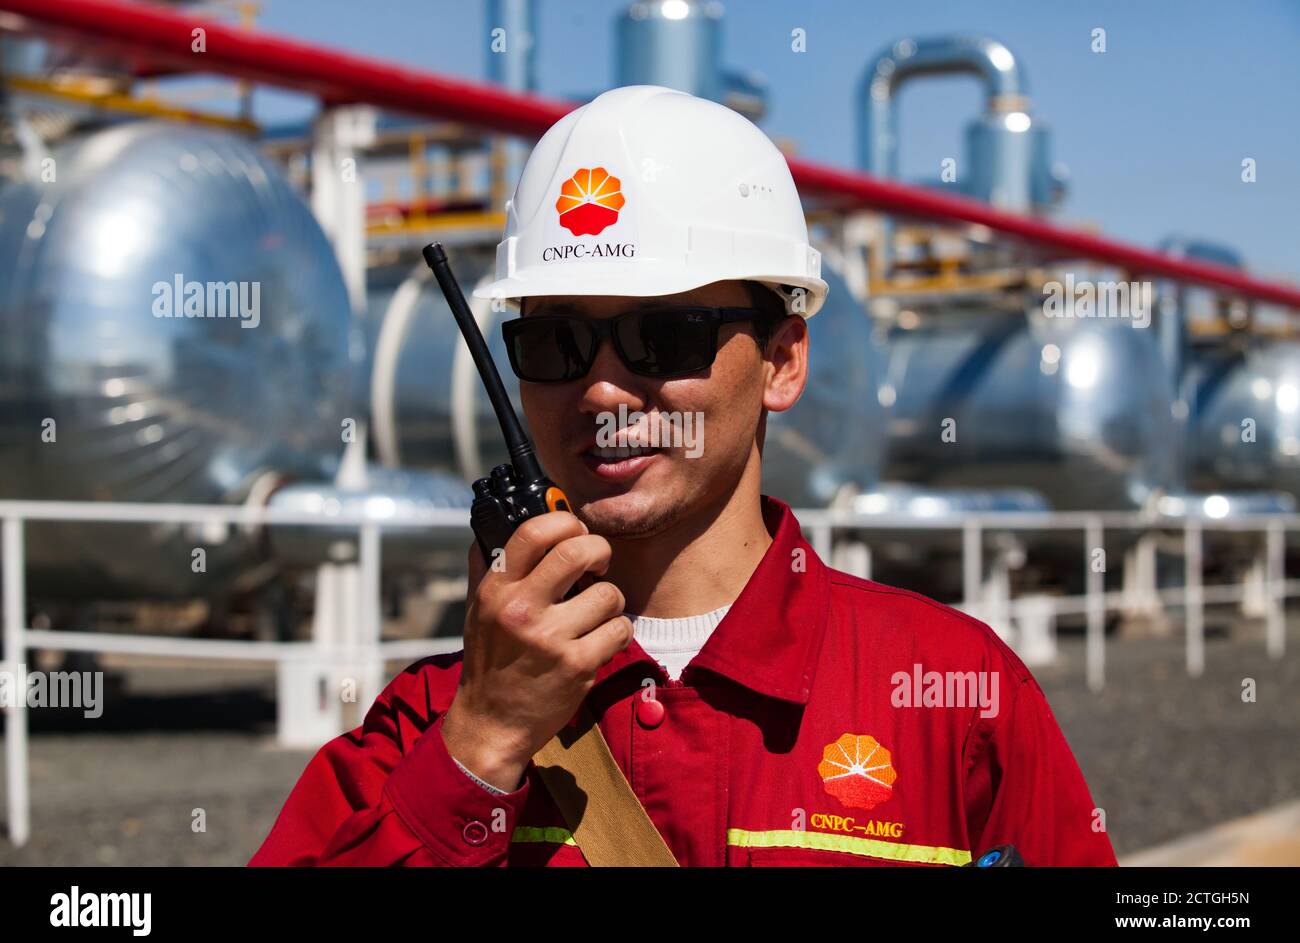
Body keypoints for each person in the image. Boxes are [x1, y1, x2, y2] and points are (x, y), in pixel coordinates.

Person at [250, 85, 1117, 867]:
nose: (600, 387)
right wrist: (479, 752)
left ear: (782, 360)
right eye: (555, 342)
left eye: (664, 336)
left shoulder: (952, 697)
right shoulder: (437, 718)